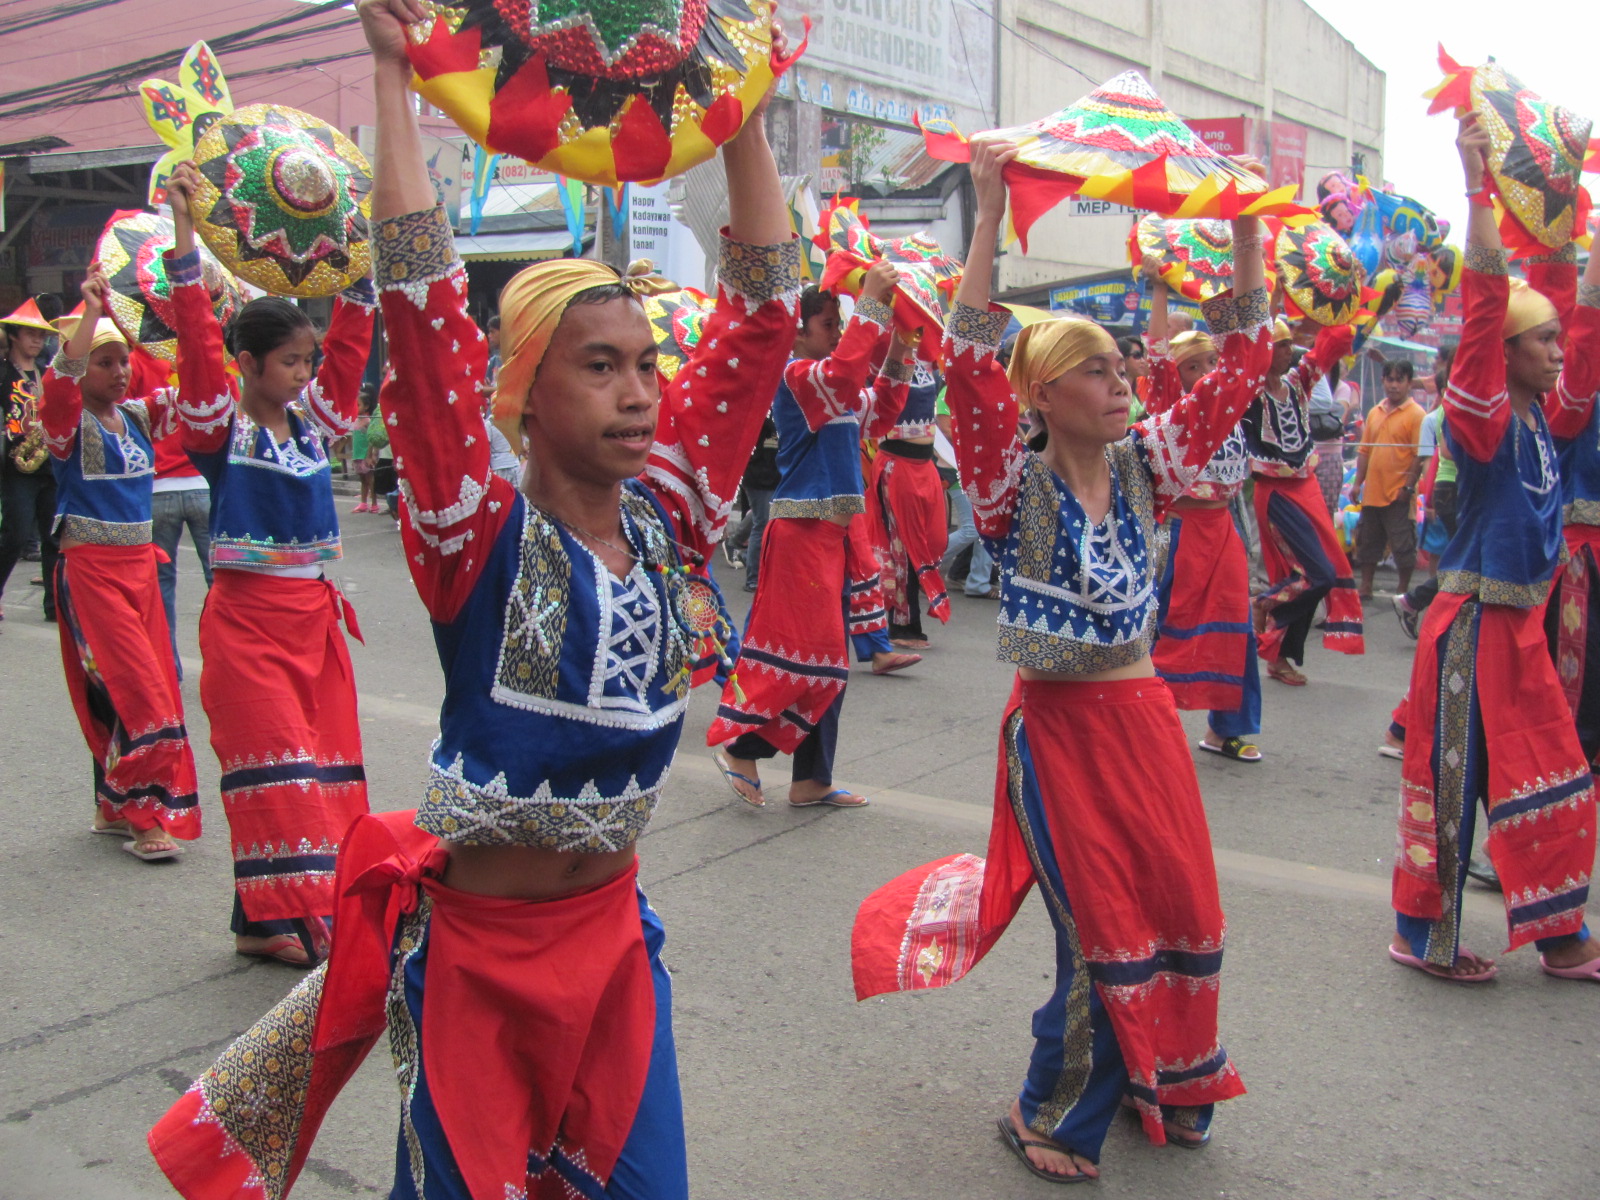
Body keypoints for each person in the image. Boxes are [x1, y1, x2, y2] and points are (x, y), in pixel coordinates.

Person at [148, 0, 801, 1192]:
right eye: (599, 367)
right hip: (476, 964)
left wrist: (737, 106)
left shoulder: (673, 520)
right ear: (521, 393)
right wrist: (392, 79)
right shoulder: (473, 533)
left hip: (610, 949)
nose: (641, 391)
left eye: (648, 363)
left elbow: (761, 316)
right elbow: (420, 299)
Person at [851, 137, 1271, 1183]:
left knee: (1178, 904)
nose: (1121, 381)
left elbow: (1245, 367)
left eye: (1122, 366)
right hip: (1059, 731)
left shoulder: (1151, 469)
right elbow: (966, 358)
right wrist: (987, 212)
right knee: (1096, 928)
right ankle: (1048, 1108)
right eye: (1095, 368)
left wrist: (1248, 228)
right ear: (1039, 393)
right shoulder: (1006, 485)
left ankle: (1160, 1076)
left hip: (1144, 727)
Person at [1389, 110, 1600, 985]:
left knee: (1548, 770)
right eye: (1542, 340)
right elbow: (1481, 312)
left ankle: (1558, 935)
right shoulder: (1480, 421)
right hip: (1471, 627)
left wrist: (1568, 218)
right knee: (1453, 785)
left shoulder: (1544, 422)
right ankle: (1419, 933)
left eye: (1557, 337)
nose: (1559, 352)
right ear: (1504, 354)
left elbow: (1583, 344)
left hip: (1521, 629)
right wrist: (1477, 186)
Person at [165, 158, 376, 966]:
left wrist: (362, 255)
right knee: (278, 770)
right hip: (248, 624)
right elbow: (193, 333)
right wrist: (186, 230)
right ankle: (286, 913)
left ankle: (265, 918)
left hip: (312, 620)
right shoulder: (218, 427)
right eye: (291, 362)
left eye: (308, 361)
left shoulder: (314, 424)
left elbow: (352, 349)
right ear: (248, 364)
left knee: (313, 776)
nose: (306, 373)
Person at [707, 271, 918, 808]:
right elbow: (847, 373)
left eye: (841, 321)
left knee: (831, 665)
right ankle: (741, 745)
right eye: (829, 323)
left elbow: (885, 408)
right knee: (813, 657)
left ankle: (811, 779)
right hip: (802, 533)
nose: (838, 330)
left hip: (836, 535)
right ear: (797, 334)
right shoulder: (799, 377)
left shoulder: (835, 393)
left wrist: (902, 340)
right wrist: (871, 301)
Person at [39, 268, 202, 861]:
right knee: (141, 695)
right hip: (92, 574)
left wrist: (186, 312)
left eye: (121, 361)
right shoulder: (66, 424)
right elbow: (59, 380)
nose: (119, 371)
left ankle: (112, 805)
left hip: (141, 570)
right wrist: (89, 314)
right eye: (104, 363)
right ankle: (142, 817)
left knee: (154, 688)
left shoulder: (135, 418)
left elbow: (185, 387)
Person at [1145, 272, 1263, 763]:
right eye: (1196, 366)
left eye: (1213, 361)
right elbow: (1156, 354)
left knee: (1239, 627)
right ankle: (1143, 716)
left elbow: (1243, 354)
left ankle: (1228, 727)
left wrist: (1221, 281)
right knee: (1158, 624)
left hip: (1222, 529)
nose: (1210, 370)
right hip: (1179, 529)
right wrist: (1159, 289)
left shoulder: (1230, 407)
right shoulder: (1175, 407)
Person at [1242, 316, 1363, 685]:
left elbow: (1336, 341)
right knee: (1317, 574)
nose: (1286, 352)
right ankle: (1265, 603)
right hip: (1277, 492)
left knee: (1314, 574)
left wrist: (1332, 312)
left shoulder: (1297, 384)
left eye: (1286, 345)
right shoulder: (1248, 391)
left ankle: (1279, 657)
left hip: (1305, 486)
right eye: (1278, 345)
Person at [866, 349, 950, 646]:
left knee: (934, 540)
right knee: (902, 547)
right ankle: (903, 626)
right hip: (897, 465)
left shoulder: (928, 360)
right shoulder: (887, 359)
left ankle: (892, 614)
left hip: (925, 464)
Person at [0, 297, 61, 623]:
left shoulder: (46, 371)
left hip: (48, 463)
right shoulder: (3, 373)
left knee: (53, 538)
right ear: (14, 336)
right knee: (15, 534)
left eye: (41, 336)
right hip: (16, 466)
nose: (38, 341)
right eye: (30, 335)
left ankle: (54, 606)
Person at [1393, 345, 1458, 637]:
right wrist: (1427, 496)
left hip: (1457, 489)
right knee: (1468, 559)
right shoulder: (1447, 413)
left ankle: (1415, 601)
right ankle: (1415, 601)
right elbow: (1436, 456)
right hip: (1453, 488)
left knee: (1465, 558)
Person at [1352, 360, 1425, 598]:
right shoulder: (1375, 412)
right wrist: (1356, 483)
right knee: (1367, 542)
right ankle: (1366, 586)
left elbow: (1418, 455)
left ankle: (1403, 589)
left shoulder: (1417, 414)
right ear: (1383, 381)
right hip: (1373, 491)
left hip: (1398, 492)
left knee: (1403, 543)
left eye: (1399, 380)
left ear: (1409, 383)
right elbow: (1364, 451)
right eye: (1390, 379)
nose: (1394, 385)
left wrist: (1408, 486)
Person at [350, 383, 380, 512]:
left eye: (358, 405)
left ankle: (374, 503)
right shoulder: (355, 420)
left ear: (366, 406)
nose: (356, 408)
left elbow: (371, 440)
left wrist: (371, 454)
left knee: (370, 479)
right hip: (357, 453)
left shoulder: (368, 421)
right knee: (362, 479)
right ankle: (363, 503)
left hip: (365, 454)